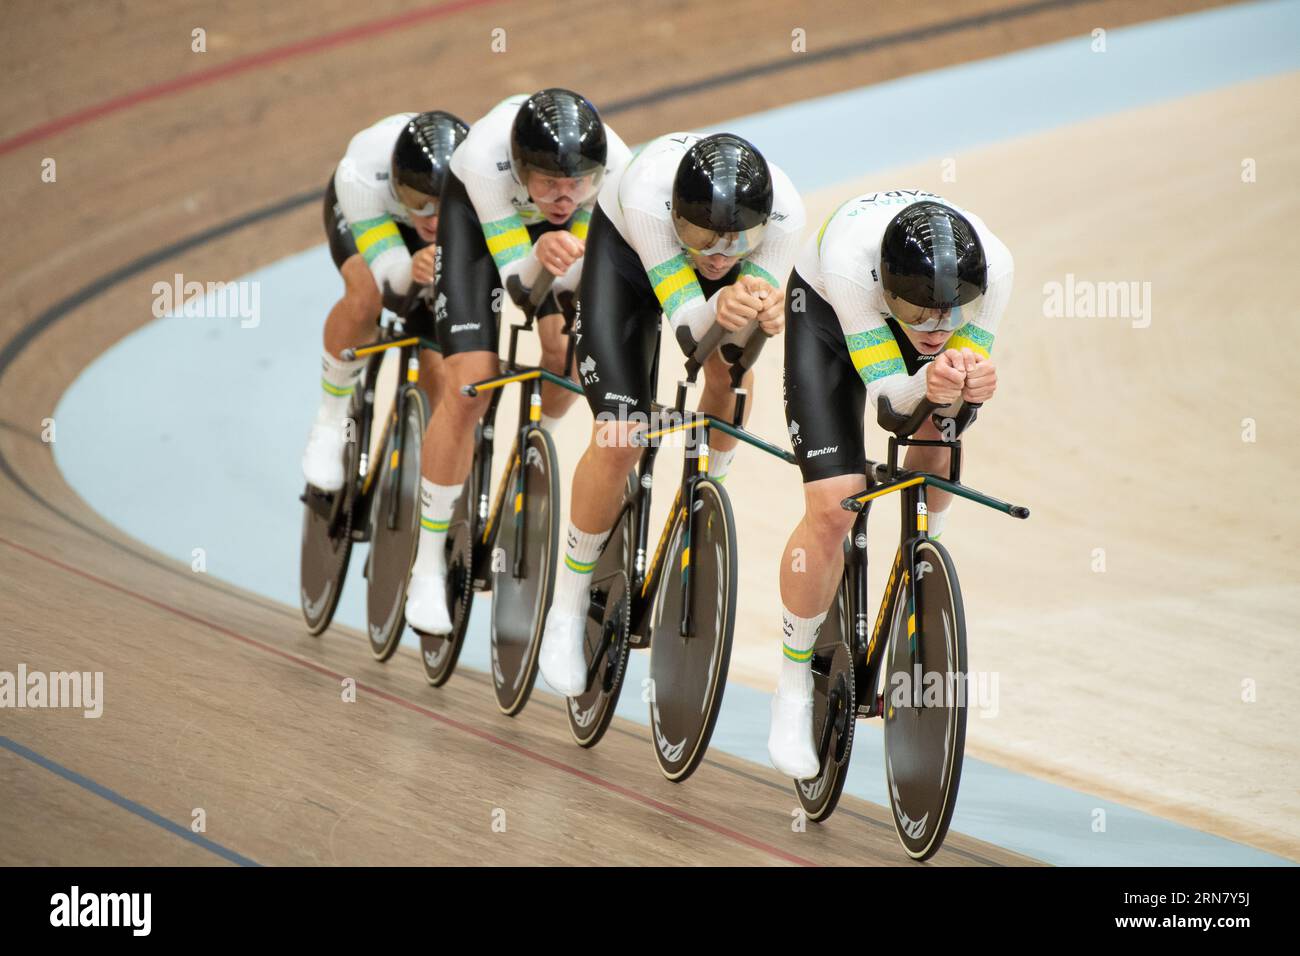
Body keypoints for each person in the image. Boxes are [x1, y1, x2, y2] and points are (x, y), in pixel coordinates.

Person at [537, 132, 806, 695]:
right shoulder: (646, 202)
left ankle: (706, 487)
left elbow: (736, 331)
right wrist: (720, 302)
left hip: (702, 267)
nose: (717, 252)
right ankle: (565, 606)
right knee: (619, 433)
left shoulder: (783, 216)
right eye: (702, 235)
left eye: (733, 241)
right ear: (678, 215)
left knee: (732, 368)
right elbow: (688, 327)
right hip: (631, 263)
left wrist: (763, 307)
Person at [770, 191, 1014, 778]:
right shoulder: (853, 266)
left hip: (908, 319)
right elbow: (886, 401)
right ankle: (792, 681)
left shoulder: (995, 270)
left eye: (950, 316)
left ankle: (920, 563)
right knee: (835, 505)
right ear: (887, 288)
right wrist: (934, 374)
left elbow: (947, 389)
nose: (935, 330)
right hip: (829, 317)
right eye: (918, 314)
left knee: (942, 442)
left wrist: (967, 381)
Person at [404, 90, 631, 635]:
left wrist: (569, 253)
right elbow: (519, 288)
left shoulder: (619, 169)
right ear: (523, 168)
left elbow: (586, 283)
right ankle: (427, 565)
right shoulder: (485, 159)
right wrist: (540, 255)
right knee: (471, 385)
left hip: (556, 238)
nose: (564, 194)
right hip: (481, 229)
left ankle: (538, 446)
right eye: (551, 182)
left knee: (568, 354)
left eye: (577, 182)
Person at [302, 110, 468, 491]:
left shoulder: (478, 181)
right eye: (419, 201)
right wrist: (412, 270)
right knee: (368, 294)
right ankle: (330, 418)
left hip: (432, 241)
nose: (430, 217)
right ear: (396, 183)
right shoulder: (362, 173)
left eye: (441, 204)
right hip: (374, 217)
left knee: (440, 362)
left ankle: (421, 451)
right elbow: (392, 280)